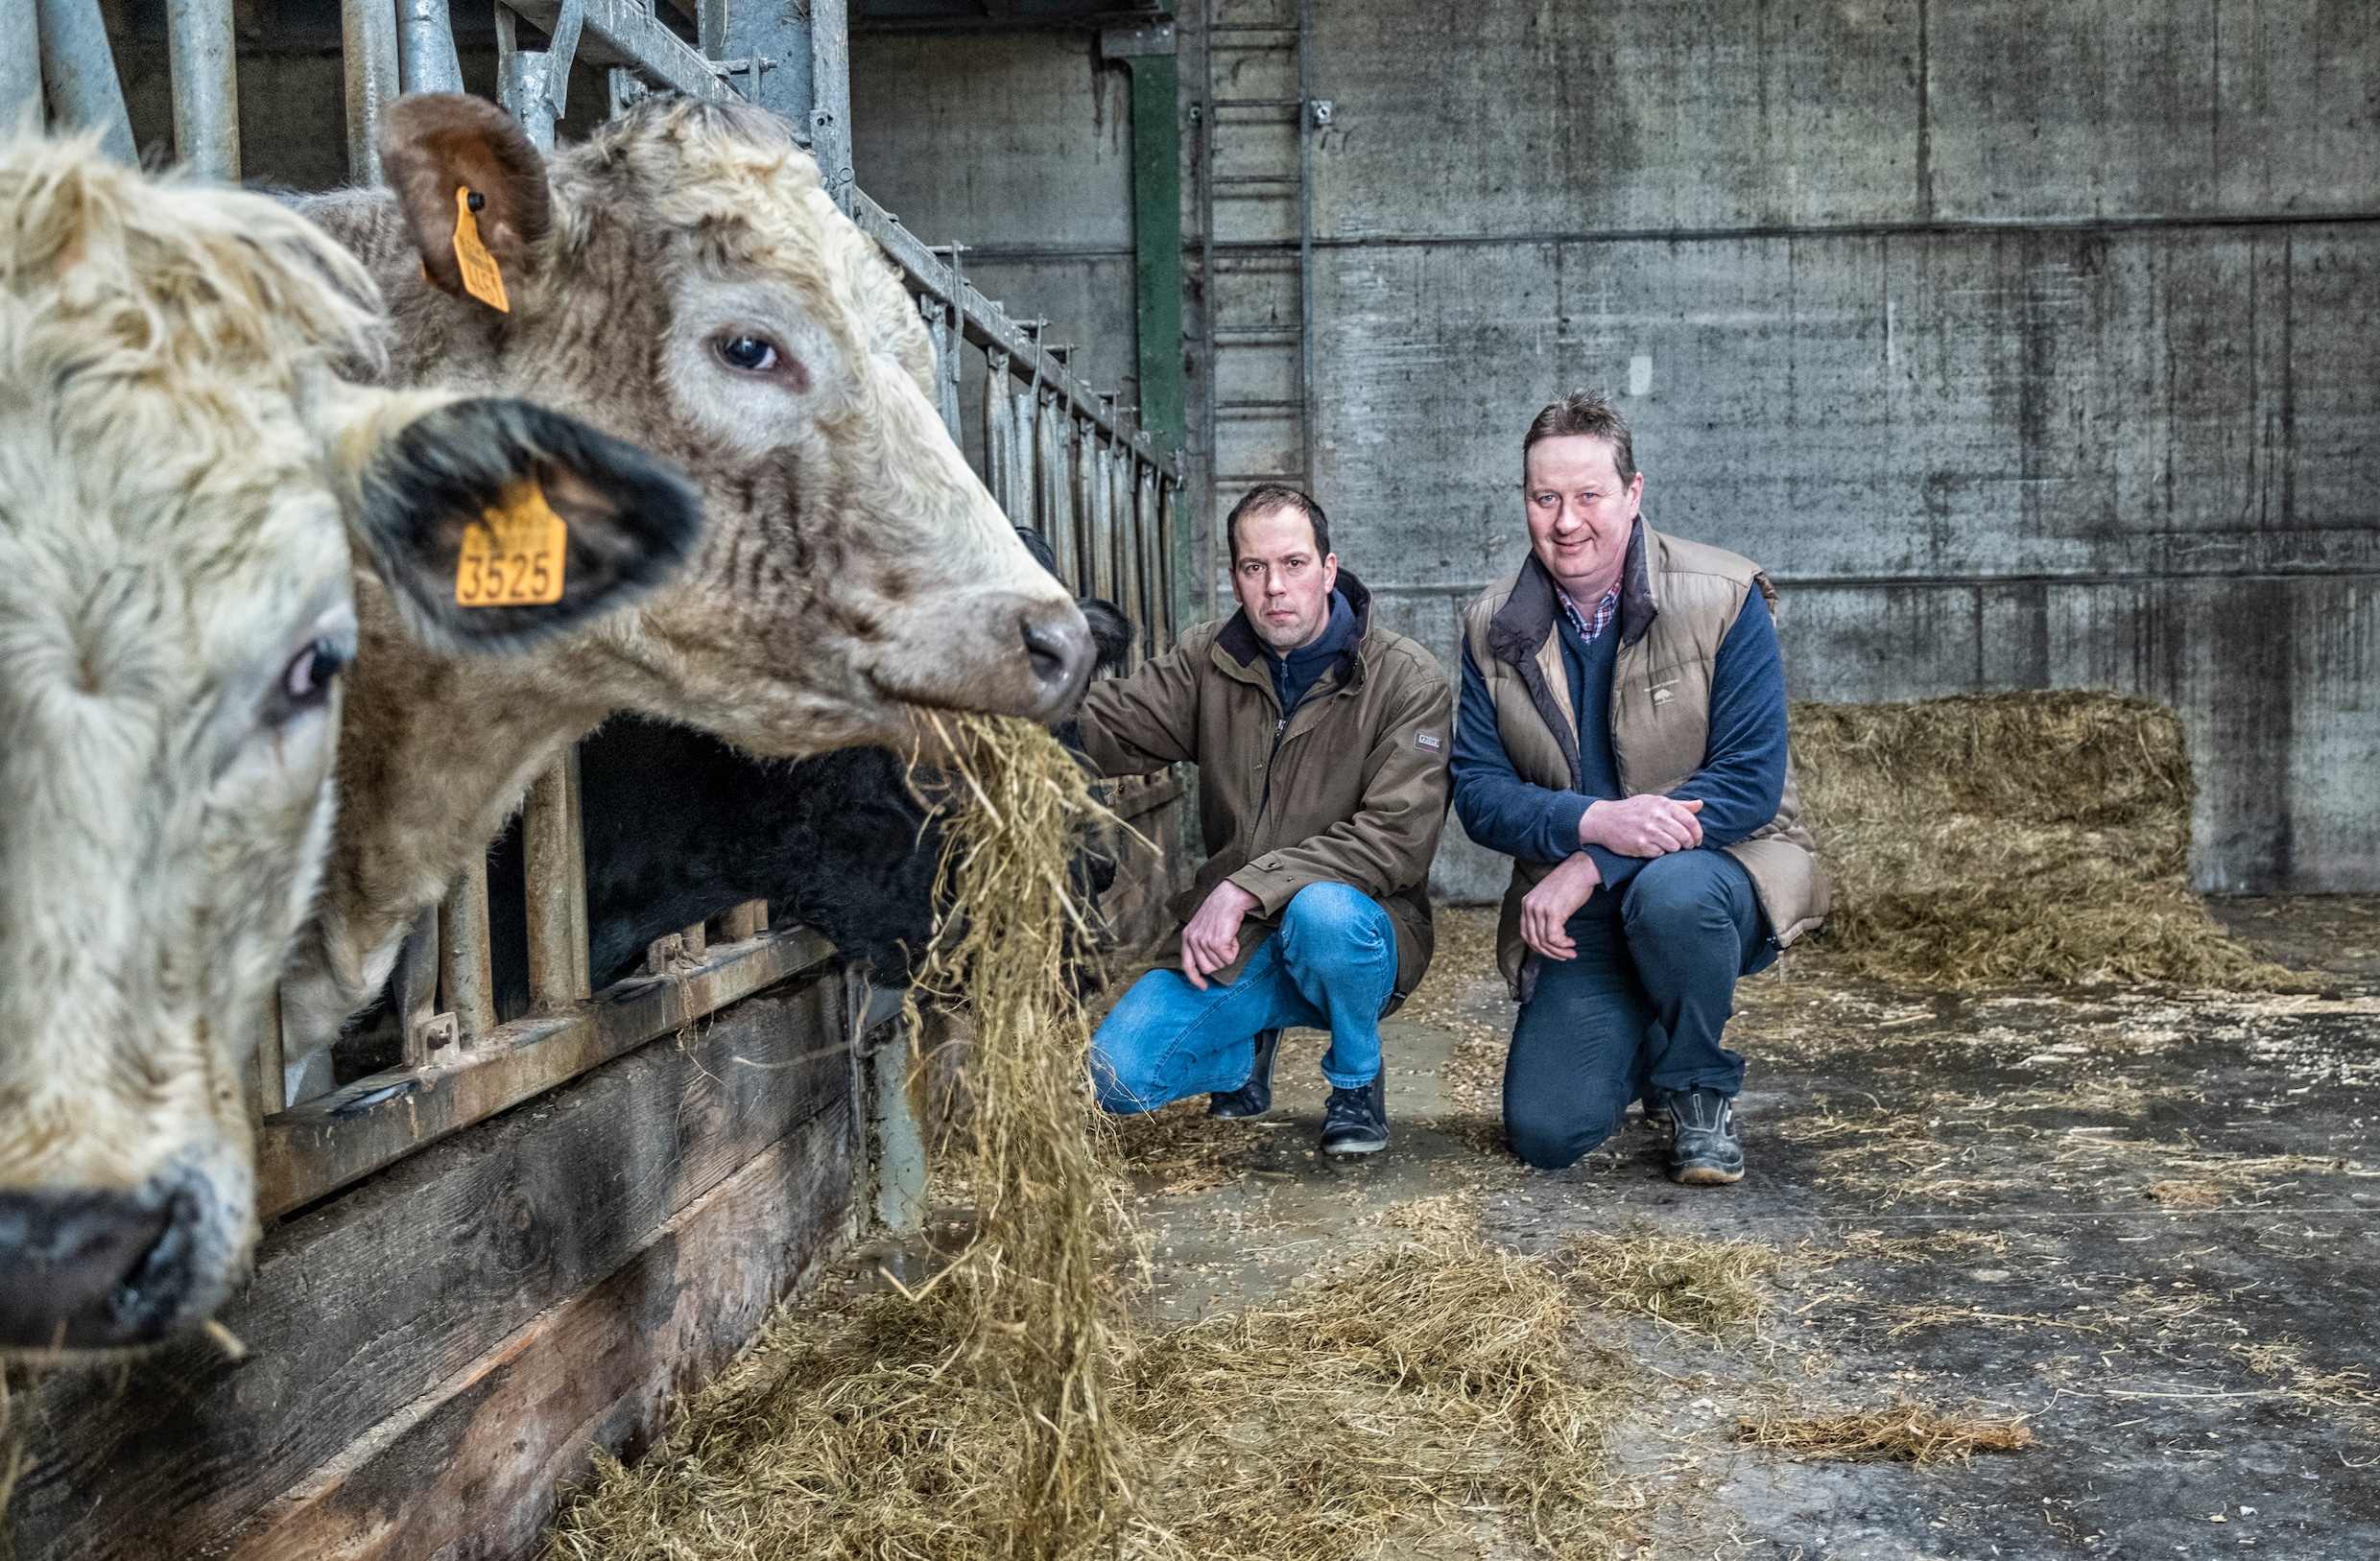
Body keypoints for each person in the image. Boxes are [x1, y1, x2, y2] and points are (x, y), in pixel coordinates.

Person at [1450, 393, 1828, 1184]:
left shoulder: (1723, 597)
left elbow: (1749, 783)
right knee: (1546, 1131)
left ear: (1634, 492)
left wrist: (1597, 856)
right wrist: (1594, 818)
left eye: (1588, 495)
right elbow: (1480, 793)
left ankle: (1698, 1086)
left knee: (1672, 895)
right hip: (1588, 917)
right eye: (1544, 497)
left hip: (1723, 871)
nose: (1565, 521)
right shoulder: (1494, 625)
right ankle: (1651, 1026)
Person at [1075, 485, 1454, 1154]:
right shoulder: (1209, 661)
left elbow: (1395, 838)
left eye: (1294, 564)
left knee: (1323, 915)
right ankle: (1243, 1044)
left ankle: (1356, 1079)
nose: (1275, 587)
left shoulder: (1404, 680)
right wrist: (1017, 700)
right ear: (1236, 578)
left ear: (1329, 570)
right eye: (1255, 569)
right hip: (1237, 942)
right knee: (1115, 1077)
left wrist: (1246, 886)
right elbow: (1115, 726)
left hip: (1358, 930)